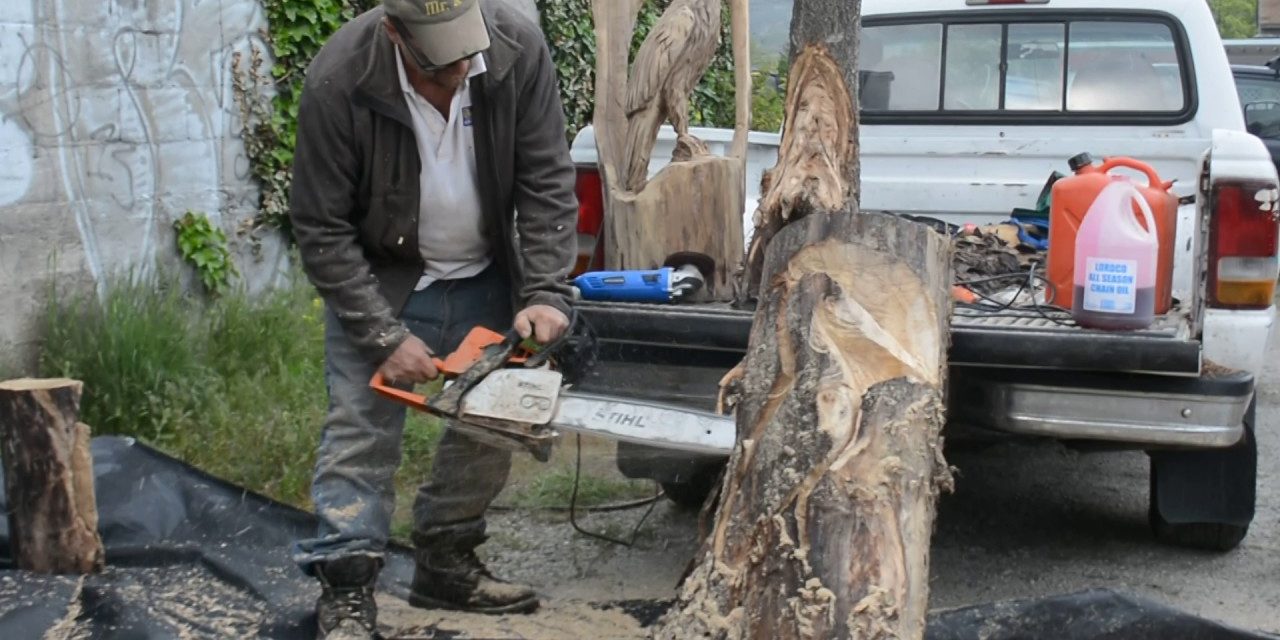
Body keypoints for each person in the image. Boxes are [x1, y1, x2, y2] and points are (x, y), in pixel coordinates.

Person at [287, 0, 578, 636]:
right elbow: (320, 226)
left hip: (486, 273)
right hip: (384, 281)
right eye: (441, 60)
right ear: (394, 32)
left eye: (467, 48)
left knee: (494, 424)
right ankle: (346, 582)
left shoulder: (516, 50)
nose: (461, 67)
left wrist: (547, 292)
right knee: (360, 433)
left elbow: (548, 181)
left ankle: (445, 562)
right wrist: (381, 335)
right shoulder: (340, 79)